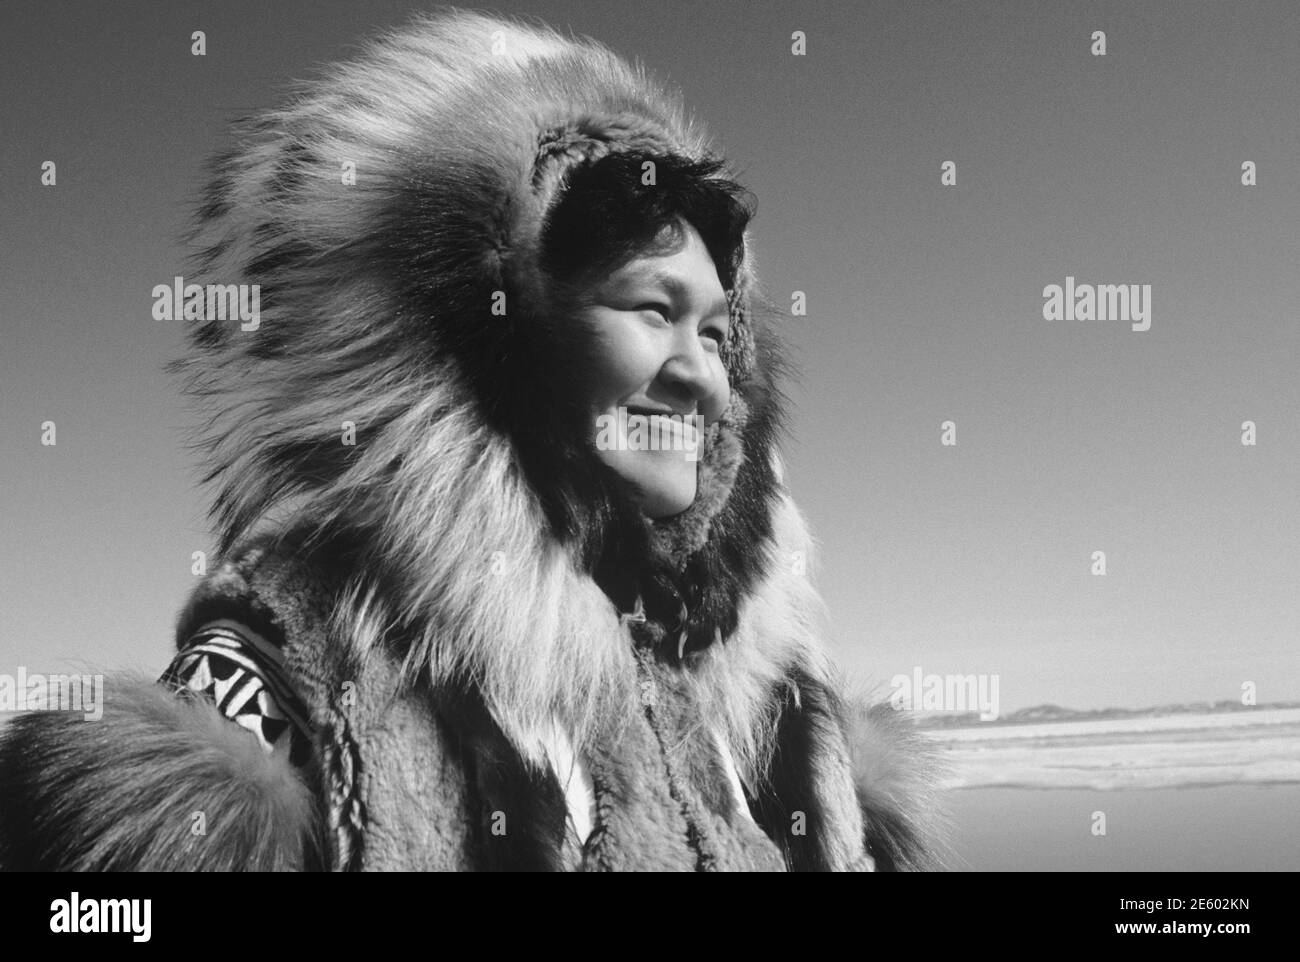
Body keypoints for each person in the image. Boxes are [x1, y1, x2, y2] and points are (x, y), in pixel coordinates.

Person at [0, 8, 944, 871]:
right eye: (652, 310)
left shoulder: (776, 723)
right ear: (498, 339)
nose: (701, 374)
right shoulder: (281, 698)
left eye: (715, 331)